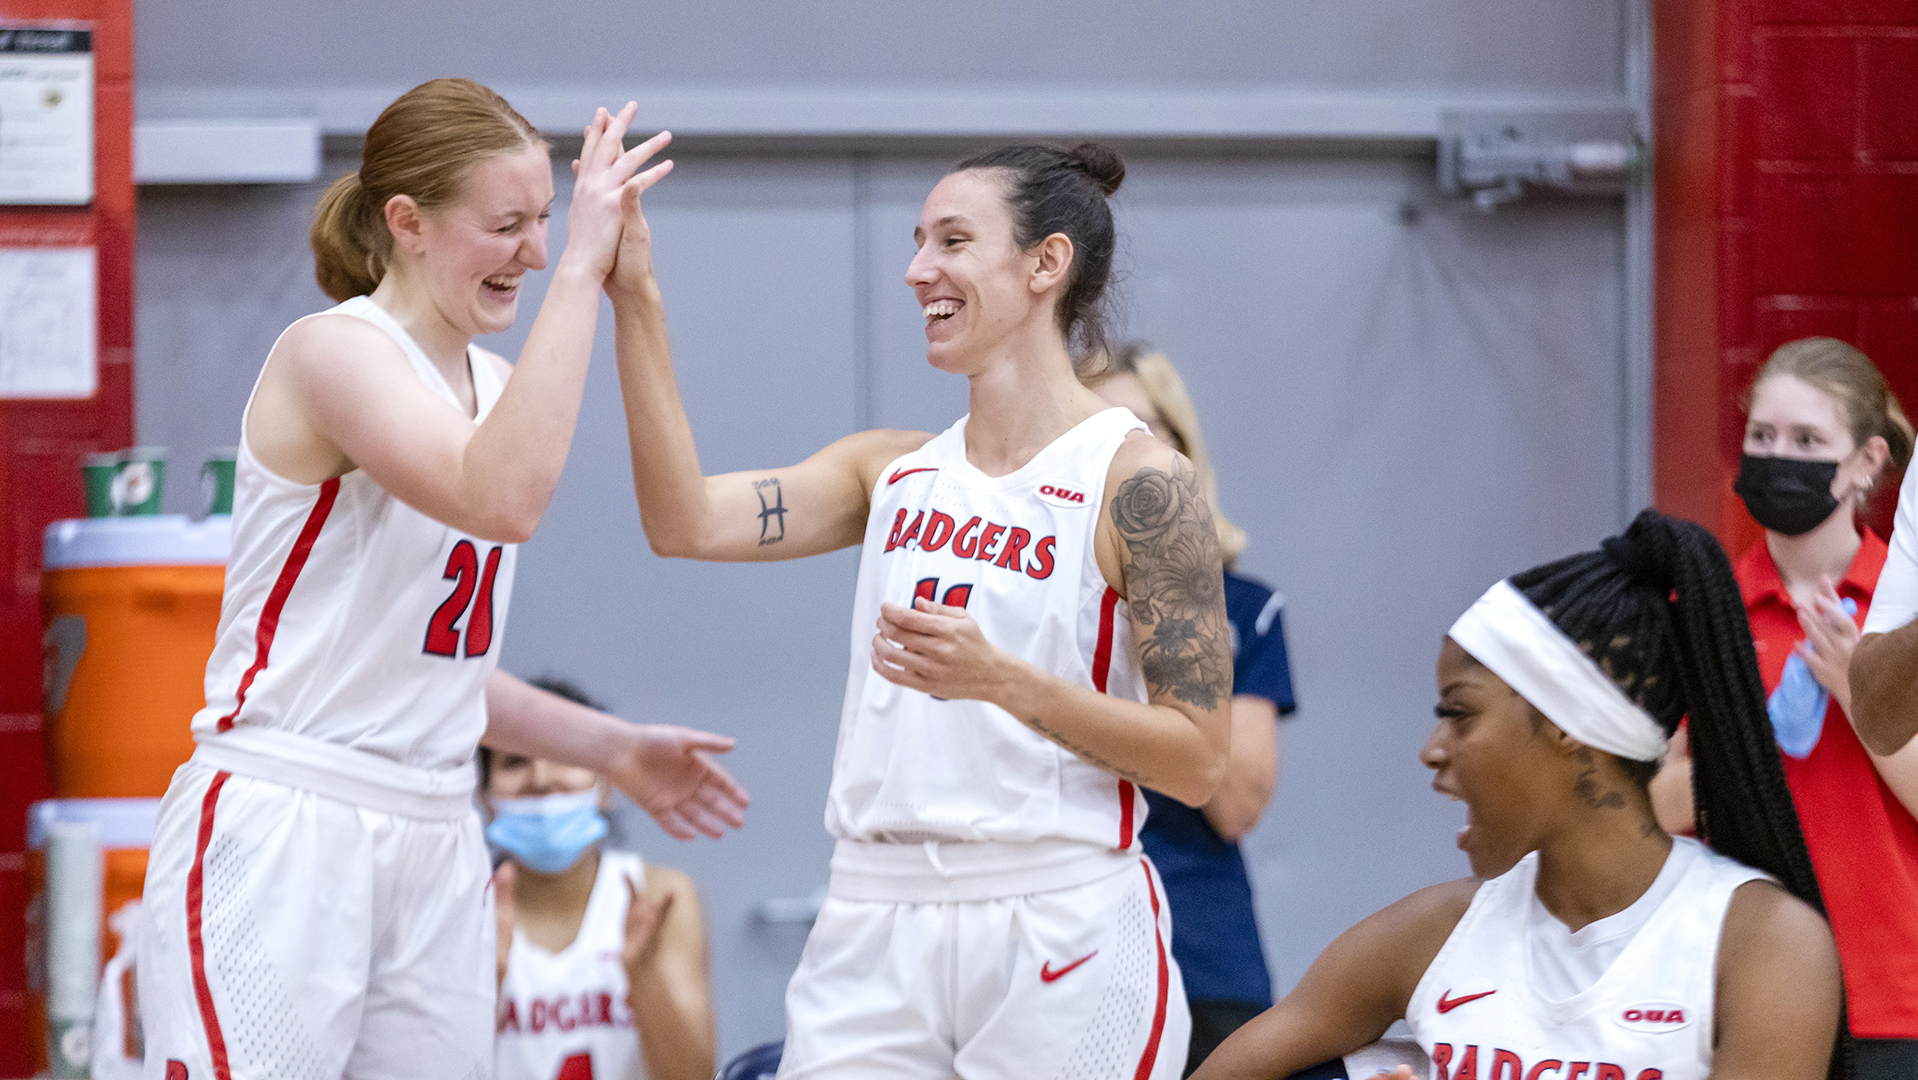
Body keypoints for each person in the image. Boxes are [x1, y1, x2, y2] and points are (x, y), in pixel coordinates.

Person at [136, 79, 747, 1080]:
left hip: (433, 828)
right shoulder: (332, 354)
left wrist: (614, 747)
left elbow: (433, 673)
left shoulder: (496, 389)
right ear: (408, 224)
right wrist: (590, 266)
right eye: (508, 224)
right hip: (290, 817)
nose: (539, 253)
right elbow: (502, 497)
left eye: (550, 222)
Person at [608, 142, 1235, 1078]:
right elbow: (682, 521)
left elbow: (1198, 759)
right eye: (916, 242)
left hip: (1058, 913)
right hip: (873, 912)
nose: (916, 271)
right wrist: (637, 299)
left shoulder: (1143, 484)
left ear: (1044, 263)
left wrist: (1007, 684)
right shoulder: (889, 471)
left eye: (951, 240)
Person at [1191, 510, 1848, 1080]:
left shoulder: (1761, 943)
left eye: (1461, 713)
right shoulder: (1429, 934)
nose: (1432, 748)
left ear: (1566, 728)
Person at [1650, 338, 1918, 1078]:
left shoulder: (1904, 619)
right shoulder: (1701, 612)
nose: (1778, 457)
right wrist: (1740, 733)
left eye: (1807, 441)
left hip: (1891, 994)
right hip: (1731, 986)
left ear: (1866, 462)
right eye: (1762, 438)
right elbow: (1648, 806)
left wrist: (1858, 692)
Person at [1087, 343, 1297, 1074]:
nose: (1130, 452)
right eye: (1105, 431)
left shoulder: (1245, 608)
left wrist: (1168, 643)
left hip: (1202, 951)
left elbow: (1235, 802)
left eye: (1146, 429)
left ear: (1181, 447)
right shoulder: (1043, 599)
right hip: (1070, 944)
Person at [489, 678, 715, 1080]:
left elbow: (694, 1075)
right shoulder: (461, 908)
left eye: (563, 756)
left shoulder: (659, 896)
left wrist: (642, 975)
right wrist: (488, 978)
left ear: (607, 785)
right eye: (514, 761)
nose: (541, 778)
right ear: (484, 797)